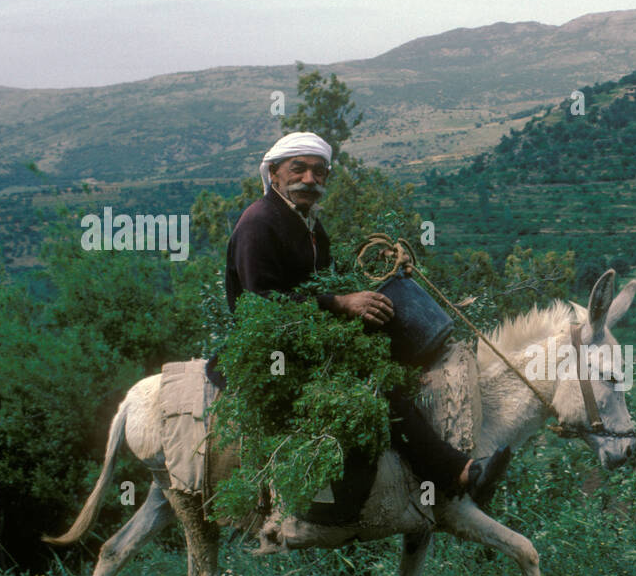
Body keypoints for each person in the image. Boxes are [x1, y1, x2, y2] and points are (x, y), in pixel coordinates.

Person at [214, 131, 510, 522]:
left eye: (319, 172)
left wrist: (377, 275)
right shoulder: (259, 223)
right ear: (274, 173)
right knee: (376, 389)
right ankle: (454, 473)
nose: (309, 179)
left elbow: (326, 282)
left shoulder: (310, 226)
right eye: (298, 169)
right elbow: (261, 304)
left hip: (308, 332)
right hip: (274, 348)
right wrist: (339, 304)